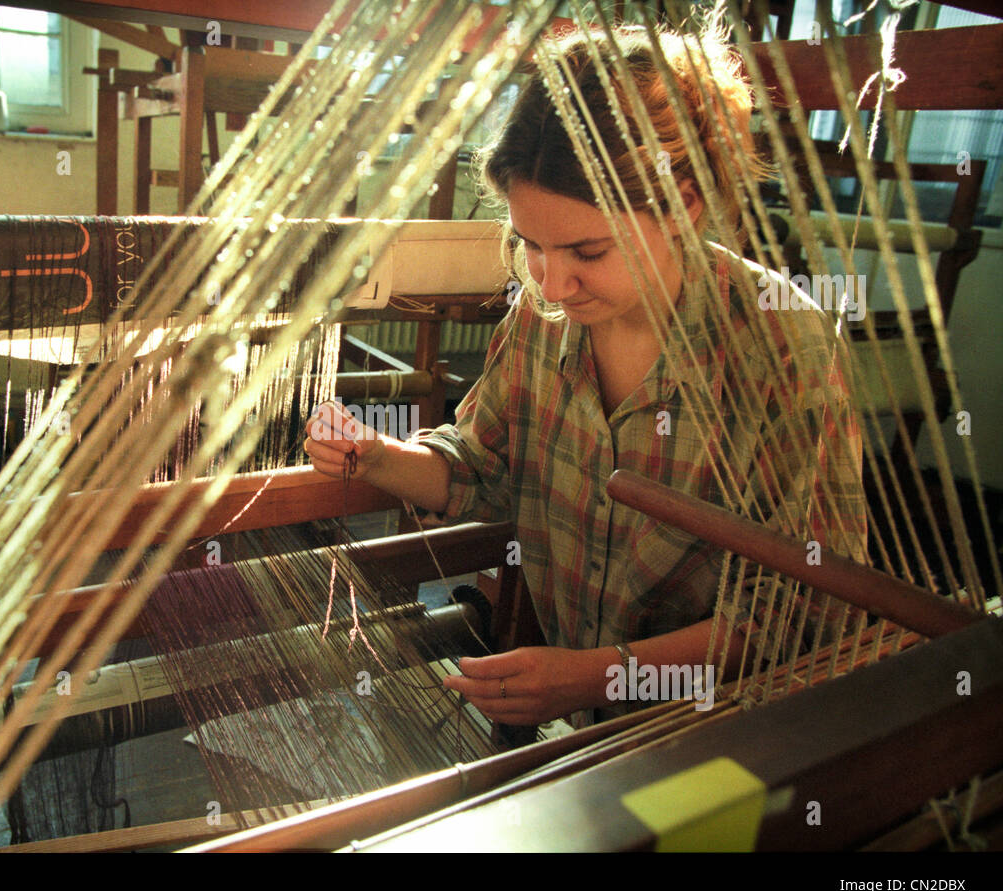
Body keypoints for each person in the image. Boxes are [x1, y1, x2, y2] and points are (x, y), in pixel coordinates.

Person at [304, 24, 867, 727]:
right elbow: (480, 463)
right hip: (588, 730)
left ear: (686, 203)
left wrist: (596, 676)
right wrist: (379, 455)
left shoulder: (783, 346)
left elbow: (802, 614)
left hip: (725, 734)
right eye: (530, 245)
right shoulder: (543, 320)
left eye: (588, 251)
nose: (554, 281)